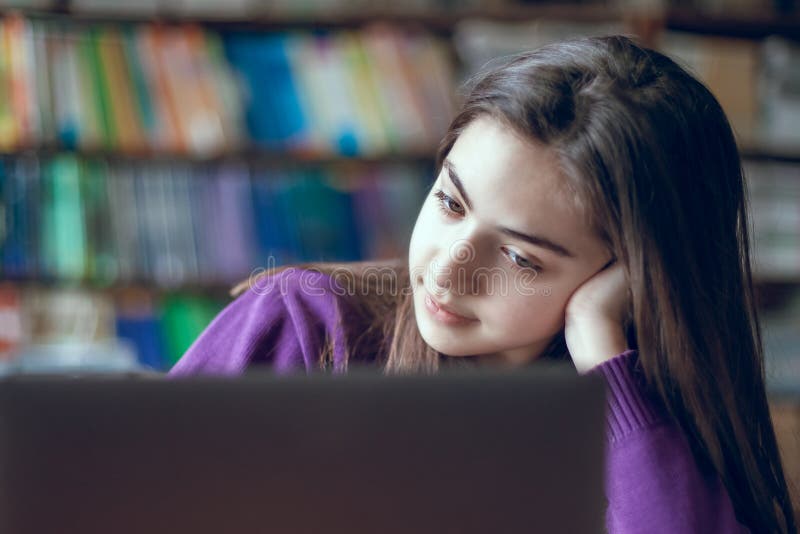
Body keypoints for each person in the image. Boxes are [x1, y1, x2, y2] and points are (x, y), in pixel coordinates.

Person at [168, 35, 797, 533]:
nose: (447, 270)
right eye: (449, 202)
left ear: (629, 278)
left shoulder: (649, 422)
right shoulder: (308, 325)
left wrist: (604, 353)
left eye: (523, 259)